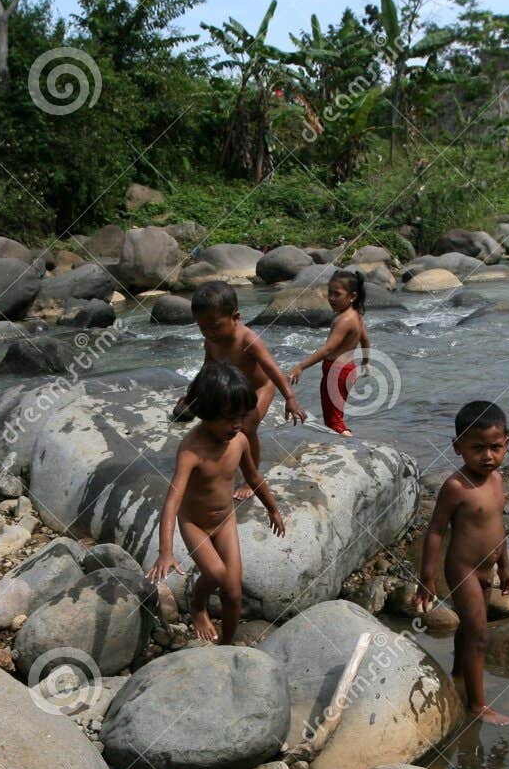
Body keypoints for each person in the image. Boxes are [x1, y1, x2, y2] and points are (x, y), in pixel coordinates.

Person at [149, 363, 286, 644]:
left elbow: (254, 477)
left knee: (234, 593)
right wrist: (165, 551)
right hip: (195, 524)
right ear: (206, 413)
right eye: (228, 418)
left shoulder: (240, 441)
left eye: (241, 416)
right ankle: (198, 606)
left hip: (225, 520)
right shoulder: (191, 451)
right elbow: (173, 500)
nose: (237, 424)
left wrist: (272, 508)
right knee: (215, 573)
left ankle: (227, 644)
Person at [415, 400, 509, 724]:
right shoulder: (456, 487)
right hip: (464, 570)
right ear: (457, 447)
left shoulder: (497, 481)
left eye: (495, 447)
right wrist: (426, 578)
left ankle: (460, 671)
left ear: (506, 445)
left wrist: (505, 568)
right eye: (477, 448)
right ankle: (477, 706)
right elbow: (435, 531)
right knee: (480, 635)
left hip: (489, 568)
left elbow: (498, 527)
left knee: (470, 630)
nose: (487, 456)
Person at [176, 280, 307, 500]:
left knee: (246, 427)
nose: (209, 332)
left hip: (260, 388)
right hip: (235, 390)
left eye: (215, 326)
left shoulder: (248, 339)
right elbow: (208, 368)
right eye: (202, 328)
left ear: (235, 318)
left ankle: (251, 477)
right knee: (215, 423)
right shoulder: (211, 342)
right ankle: (224, 458)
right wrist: (193, 395)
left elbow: (272, 370)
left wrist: (290, 398)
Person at [287, 269, 369, 435]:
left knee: (334, 421)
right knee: (336, 416)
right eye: (329, 293)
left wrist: (301, 366)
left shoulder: (344, 320)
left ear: (352, 296)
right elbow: (365, 341)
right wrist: (366, 362)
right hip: (347, 370)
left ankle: (352, 446)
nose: (331, 298)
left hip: (336, 372)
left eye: (337, 294)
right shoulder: (356, 316)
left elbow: (328, 349)